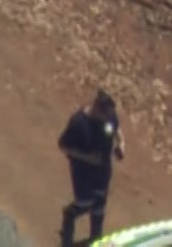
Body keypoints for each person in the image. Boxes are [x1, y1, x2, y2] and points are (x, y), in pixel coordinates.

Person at [59, 89, 126, 247]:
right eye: (105, 115)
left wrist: (122, 144)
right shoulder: (78, 122)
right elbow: (63, 145)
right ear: (96, 108)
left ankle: (96, 240)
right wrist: (86, 158)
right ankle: (67, 227)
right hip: (84, 174)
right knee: (85, 202)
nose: (108, 119)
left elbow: (116, 128)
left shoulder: (109, 117)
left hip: (103, 172)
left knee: (99, 206)